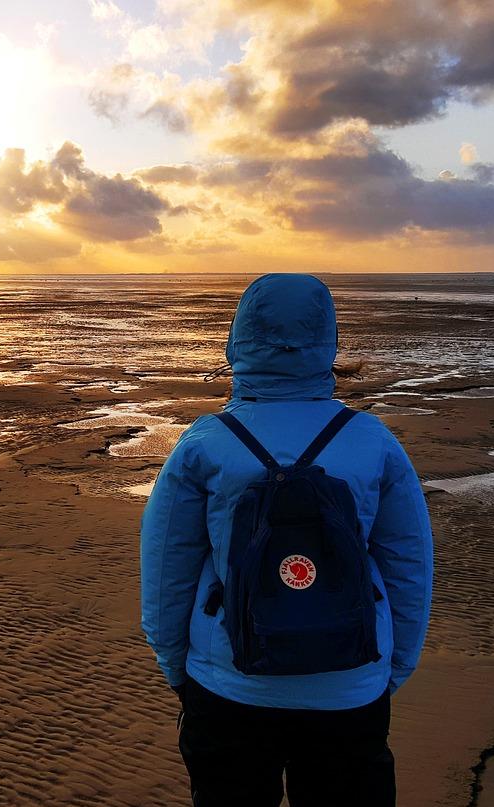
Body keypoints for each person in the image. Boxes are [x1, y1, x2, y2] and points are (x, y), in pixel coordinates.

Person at [140, 274, 433, 807]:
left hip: (229, 685)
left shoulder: (206, 441)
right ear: (328, 342)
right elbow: (408, 566)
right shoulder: (373, 440)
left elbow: (166, 568)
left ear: (238, 340)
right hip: (352, 686)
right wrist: (394, 667)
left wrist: (177, 667)